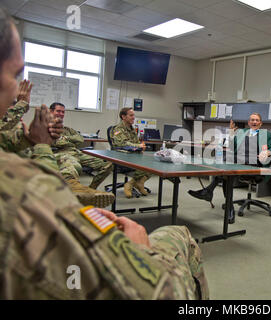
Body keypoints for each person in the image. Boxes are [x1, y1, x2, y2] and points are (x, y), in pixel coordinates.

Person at [0, 8, 208, 299]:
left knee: (113, 163)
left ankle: (103, 188)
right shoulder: (23, 185)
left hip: (81, 157)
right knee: (179, 234)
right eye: (15, 75)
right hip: (74, 170)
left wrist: (33, 139)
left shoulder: (29, 154)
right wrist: (139, 248)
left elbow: (67, 142)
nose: (19, 93)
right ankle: (97, 190)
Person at [188, 113, 271, 223]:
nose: (254, 122)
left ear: (261, 123)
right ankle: (229, 208)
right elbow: (232, 148)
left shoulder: (266, 135)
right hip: (239, 162)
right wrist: (232, 134)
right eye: (252, 120)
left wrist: (268, 152)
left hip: (256, 164)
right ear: (248, 122)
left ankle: (209, 191)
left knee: (228, 164)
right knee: (227, 170)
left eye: (257, 120)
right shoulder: (242, 133)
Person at [49, 102, 113, 190]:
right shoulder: (45, 128)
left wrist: (65, 138)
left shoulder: (66, 129)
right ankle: (74, 193)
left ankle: (91, 189)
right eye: (58, 111)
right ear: (50, 112)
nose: (61, 114)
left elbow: (80, 139)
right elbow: (56, 143)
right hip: (61, 154)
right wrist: (70, 140)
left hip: (76, 153)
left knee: (108, 164)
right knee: (74, 167)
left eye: (63, 112)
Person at [109, 107, 151, 198]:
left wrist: (141, 146)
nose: (133, 117)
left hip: (133, 156)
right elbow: (122, 143)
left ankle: (139, 183)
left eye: (134, 115)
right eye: (131, 115)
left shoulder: (132, 129)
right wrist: (138, 146)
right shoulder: (118, 129)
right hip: (122, 158)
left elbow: (135, 144)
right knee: (146, 165)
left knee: (153, 163)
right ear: (123, 117)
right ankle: (130, 184)